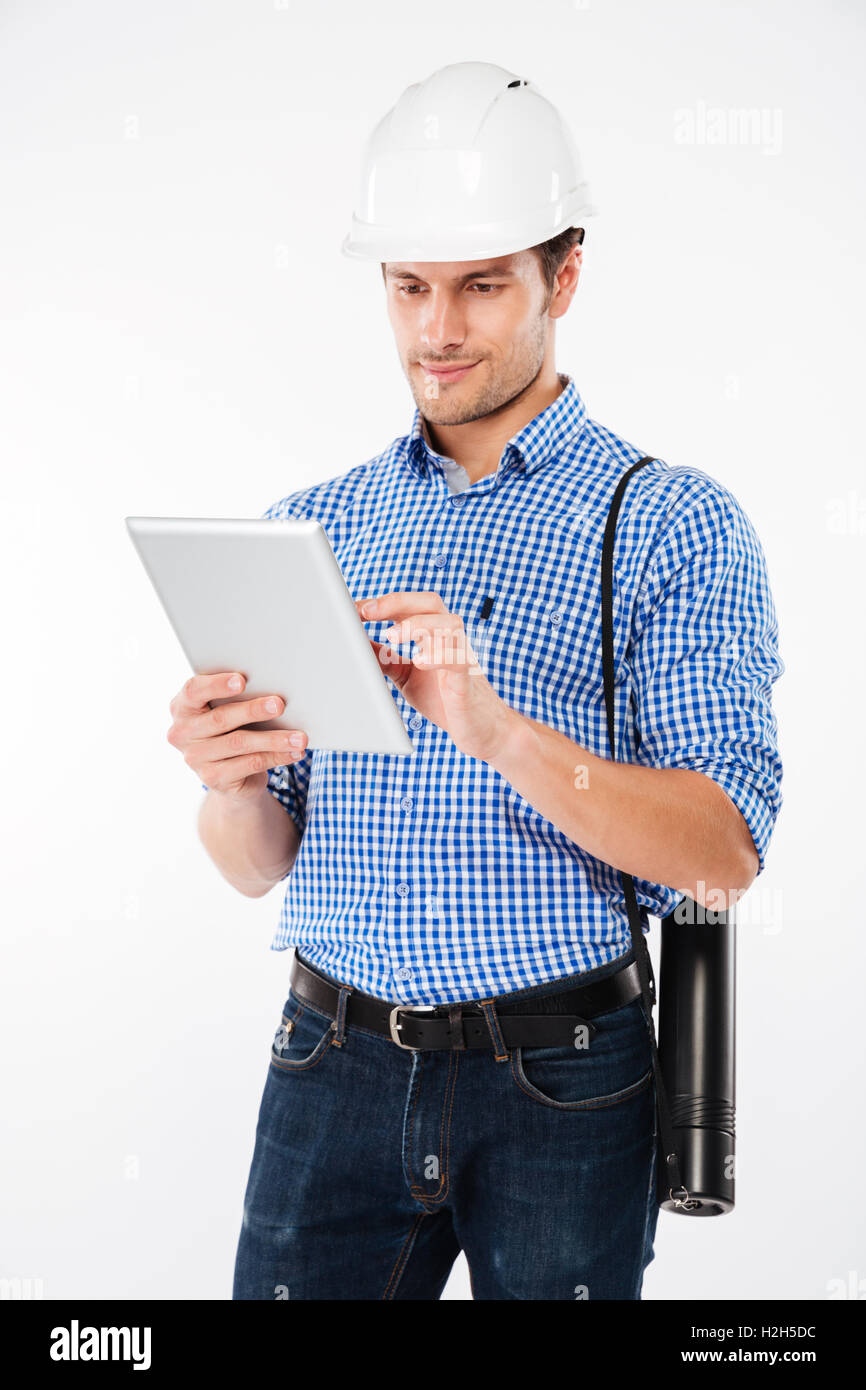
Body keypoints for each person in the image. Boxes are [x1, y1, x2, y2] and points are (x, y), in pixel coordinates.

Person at [170, 61, 784, 1300]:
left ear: (563, 276)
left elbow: (719, 851)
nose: (436, 330)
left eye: (480, 286)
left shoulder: (665, 523)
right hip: (326, 1059)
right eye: (407, 287)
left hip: (562, 1075)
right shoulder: (315, 524)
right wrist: (226, 779)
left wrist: (492, 727)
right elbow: (256, 861)